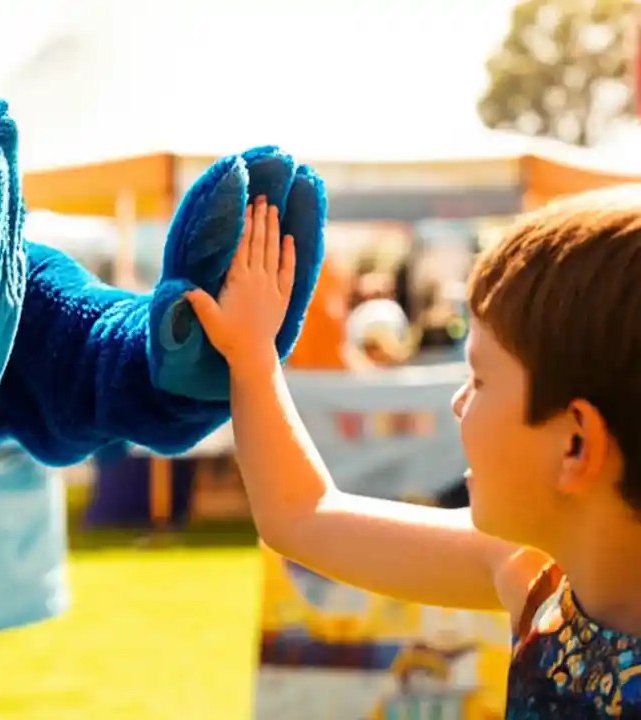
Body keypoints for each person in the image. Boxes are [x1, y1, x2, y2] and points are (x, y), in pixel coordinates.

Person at [187, 189, 641, 717]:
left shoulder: (533, 583)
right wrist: (251, 355)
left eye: (478, 379)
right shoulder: (535, 581)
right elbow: (300, 515)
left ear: (575, 444)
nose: (457, 401)